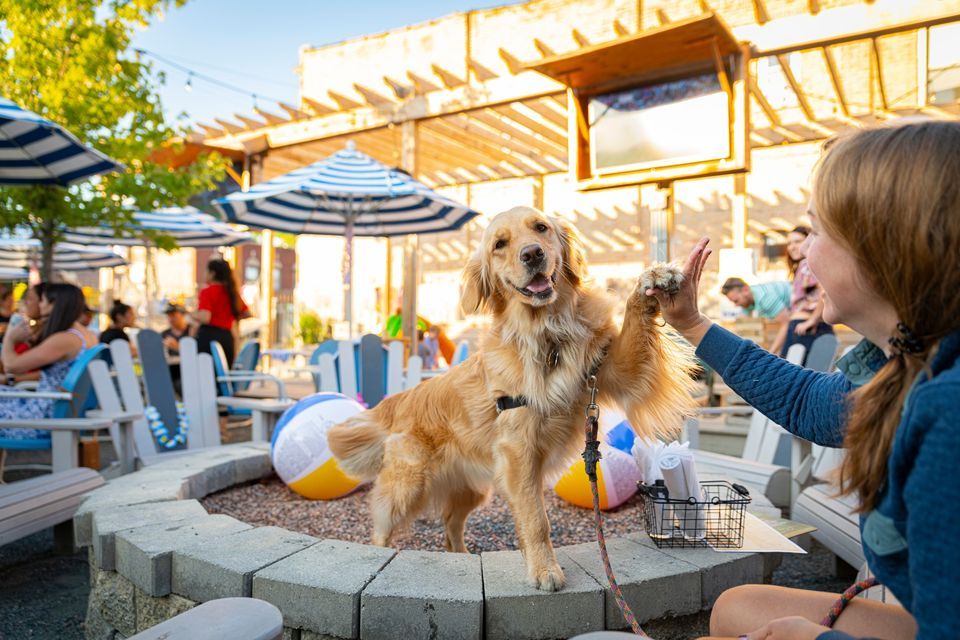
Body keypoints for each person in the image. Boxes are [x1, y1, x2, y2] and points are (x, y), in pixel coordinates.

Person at [647, 121, 960, 640]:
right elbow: (804, 400)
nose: (805, 259)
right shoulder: (903, 362)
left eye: (815, 231)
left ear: (884, 248)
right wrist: (690, 323)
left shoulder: (948, 414)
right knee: (736, 608)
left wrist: (816, 638)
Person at [0, 284, 98, 442]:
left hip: (44, 419)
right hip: (63, 410)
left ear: (55, 304)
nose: (39, 305)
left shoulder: (65, 339)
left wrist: (10, 338)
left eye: (43, 301)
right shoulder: (87, 335)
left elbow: (11, 366)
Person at [781, 225, 834, 364]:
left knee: (790, 380)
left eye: (797, 241)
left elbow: (825, 290)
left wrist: (812, 320)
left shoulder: (808, 263)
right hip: (809, 328)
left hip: (805, 328)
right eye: (789, 243)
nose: (792, 247)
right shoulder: (804, 265)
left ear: (809, 242)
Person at [192, 258, 248, 368]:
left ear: (212, 273)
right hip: (227, 338)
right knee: (223, 374)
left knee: (206, 374)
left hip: (208, 338)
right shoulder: (231, 292)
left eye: (206, 271)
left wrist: (191, 314)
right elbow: (246, 313)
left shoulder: (207, 291)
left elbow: (205, 317)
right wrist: (229, 318)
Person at [720, 277, 791, 354]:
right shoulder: (750, 297)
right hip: (793, 312)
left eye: (736, 301)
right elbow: (742, 326)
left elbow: (786, 324)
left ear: (745, 290)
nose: (736, 305)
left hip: (801, 305)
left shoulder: (765, 298)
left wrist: (771, 353)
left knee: (785, 352)